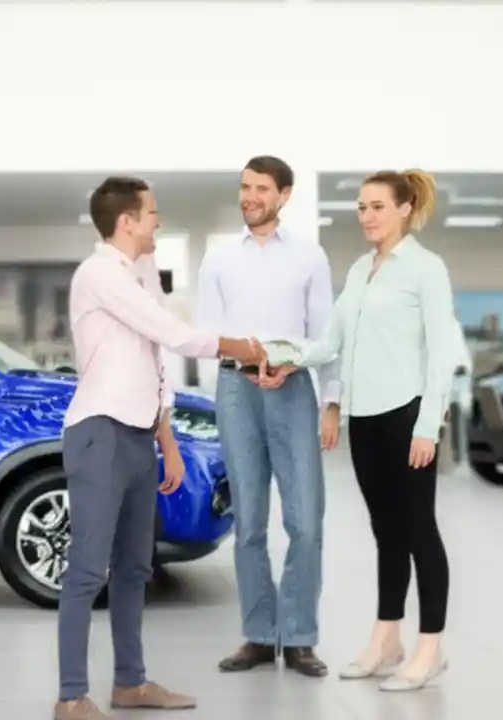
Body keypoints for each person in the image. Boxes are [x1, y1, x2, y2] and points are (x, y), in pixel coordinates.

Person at [54, 176, 266, 720]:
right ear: (126, 221)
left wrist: (166, 439)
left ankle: (131, 683)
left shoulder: (139, 270)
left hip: (138, 436)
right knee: (87, 570)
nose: (158, 221)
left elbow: (155, 357)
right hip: (98, 432)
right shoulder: (98, 274)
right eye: (151, 213)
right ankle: (71, 697)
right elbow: (172, 332)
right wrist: (237, 346)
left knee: (134, 568)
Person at [266, 168, 456, 692]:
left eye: (376, 206)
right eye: (361, 208)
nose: (367, 216)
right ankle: (386, 638)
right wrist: (283, 357)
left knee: (419, 530)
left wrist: (428, 426)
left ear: (403, 209)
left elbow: (441, 353)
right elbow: (329, 344)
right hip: (365, 419)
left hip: (407, 413)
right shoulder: (359, 269)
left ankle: (430, 648)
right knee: (386, 532)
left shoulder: (425, 269)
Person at [195, 155, 340, 678]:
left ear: (284, 195)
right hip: (236, 389)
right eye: (244, 187)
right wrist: (245, 364)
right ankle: (258, 634)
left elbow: (326, 338)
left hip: (292, 387)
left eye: (260, 188)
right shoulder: (217, 259)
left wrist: (331, 401)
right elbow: (208, 334)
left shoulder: (309, 257)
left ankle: (299, 636)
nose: (249, 196)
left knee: (304, 519)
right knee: (249, 520)